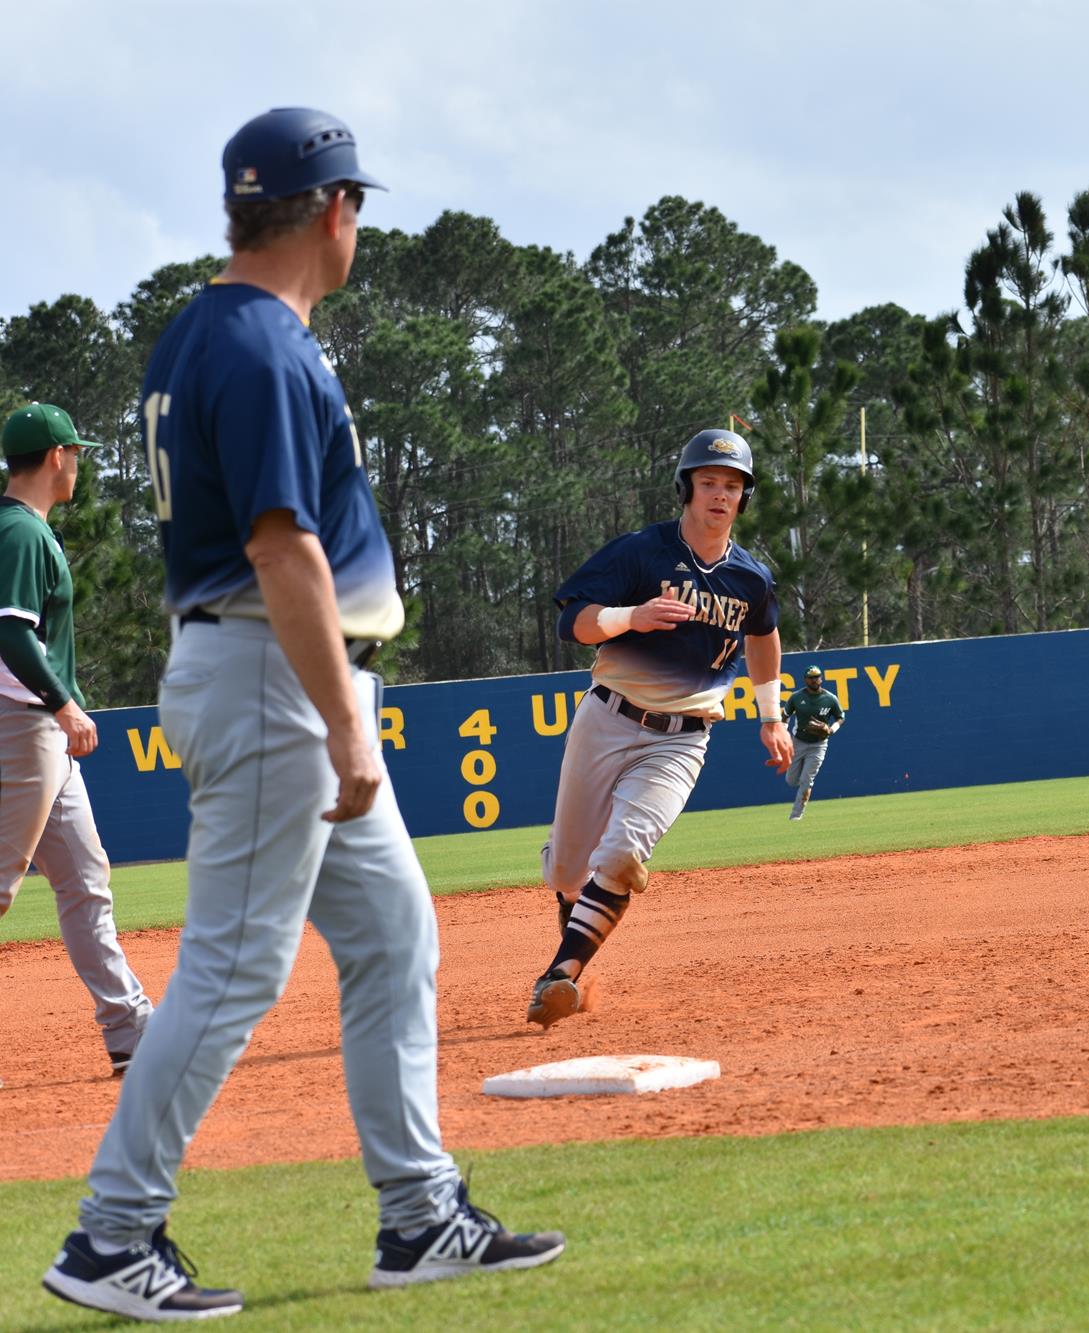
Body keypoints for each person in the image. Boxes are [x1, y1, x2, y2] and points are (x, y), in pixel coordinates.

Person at [42, 108, 562, 1325]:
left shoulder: (198, 330)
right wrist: (342, 722)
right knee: (234, 963)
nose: (359, 228)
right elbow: (284, 548)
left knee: (393, 934)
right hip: (278, 675)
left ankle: (420, 1212)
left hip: (265, 670)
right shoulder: (264, 345)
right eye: (358, 207)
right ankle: (113, 1233)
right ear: (332, 211)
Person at [530, 427, 792, 1029]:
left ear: (743, 498)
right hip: (607, 717)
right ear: (687, 488)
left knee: (623, 855)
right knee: (569, 871)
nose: (720, 495)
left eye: (732, 486)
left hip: (683, 736)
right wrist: (631, 617)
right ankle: (573, 935)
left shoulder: (750, 578)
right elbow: (574, 622)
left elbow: (764, 633)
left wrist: (771, 716)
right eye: (709, 483)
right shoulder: (640, 553)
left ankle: (559, 977)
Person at [0, 403, 153, 1075]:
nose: (81, 463)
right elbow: (10, 633)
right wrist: (64, 705)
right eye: (77, 452)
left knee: (86, 880)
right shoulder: (19, 533)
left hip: (41, 734)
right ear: (56, 457)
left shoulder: (25, 529)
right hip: (24, 725)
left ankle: (130, 1029)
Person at [780, 665, 844, 820]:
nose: (815, 680)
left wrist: (831, 729)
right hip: (798, 742)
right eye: (811, 678)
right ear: (805, 680)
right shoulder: (796, 697)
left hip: (819, 745)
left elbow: (841, 717)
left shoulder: (830, 698)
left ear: (821, 678)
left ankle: (796, 816)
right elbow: (785, 716)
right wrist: (783, 734)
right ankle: (799, 796)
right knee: (791, 780)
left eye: (817, 677)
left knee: (806, 780)